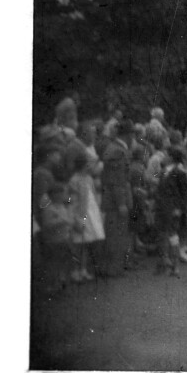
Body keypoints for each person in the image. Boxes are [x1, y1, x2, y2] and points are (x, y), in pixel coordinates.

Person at [99, 120, 134, 277]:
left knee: (117, 233)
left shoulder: (115, 148)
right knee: (116, 234)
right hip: (115, 201)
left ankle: (116, 265)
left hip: (114, 198)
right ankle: (113, 268)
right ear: (128, 135)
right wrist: (121, 203)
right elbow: (117, 180)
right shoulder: (117, 152)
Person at [67, 148, 105, 283]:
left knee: (87, 242)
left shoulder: (88, 178)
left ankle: (83, 269)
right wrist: (76, 215)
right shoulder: (74, 179)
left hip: (91, 211)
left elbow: (93, 195)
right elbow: (71, 198)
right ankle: (75, 271)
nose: (90, 166)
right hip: (80, 212)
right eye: (88, 163)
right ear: (83, 165)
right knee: (78, 243)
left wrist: (98, 211)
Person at [153, 147, 187, 277]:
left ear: (171, 157)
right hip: (161, 207)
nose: (164, 157)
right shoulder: (164, 171)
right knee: (161, 235)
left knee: (172, 236)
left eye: (166, 155)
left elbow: (185, 193)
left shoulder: (179, 173)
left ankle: (175, 265)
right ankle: (163, 263)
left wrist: (180, 208)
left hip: (172, 208)